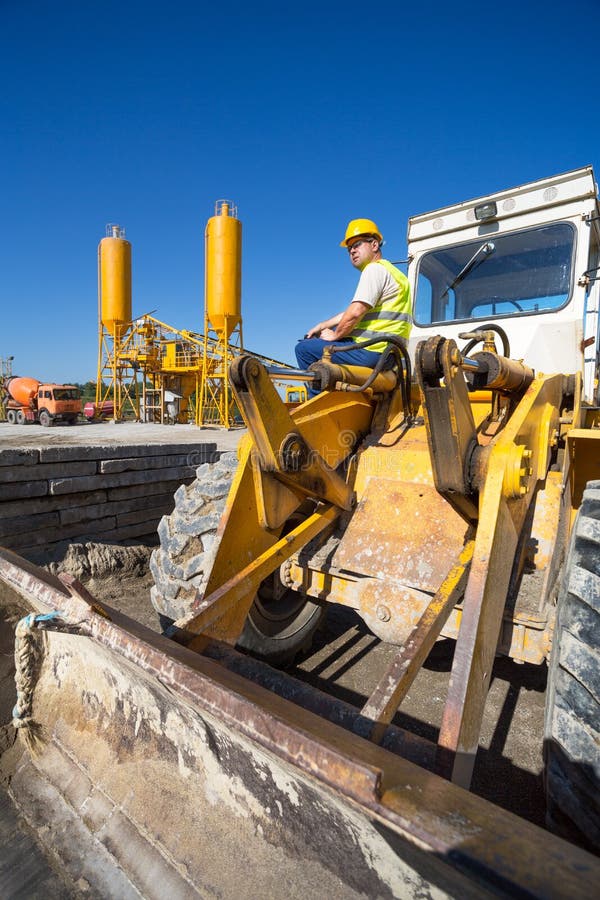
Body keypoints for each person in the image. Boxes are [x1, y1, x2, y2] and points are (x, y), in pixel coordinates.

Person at [295, 218, 412, 395]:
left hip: (372, 352)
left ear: (374, 245)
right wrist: (323, 326)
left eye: (357, 244)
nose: (352, 251)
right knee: (330, 334)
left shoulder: (373, 270)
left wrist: (334, 335)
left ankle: (319, 403)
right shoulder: (395, 274)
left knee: (304, 348)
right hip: (390, 354)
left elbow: (355, 313)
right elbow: (355, 311)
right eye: (349, 248)